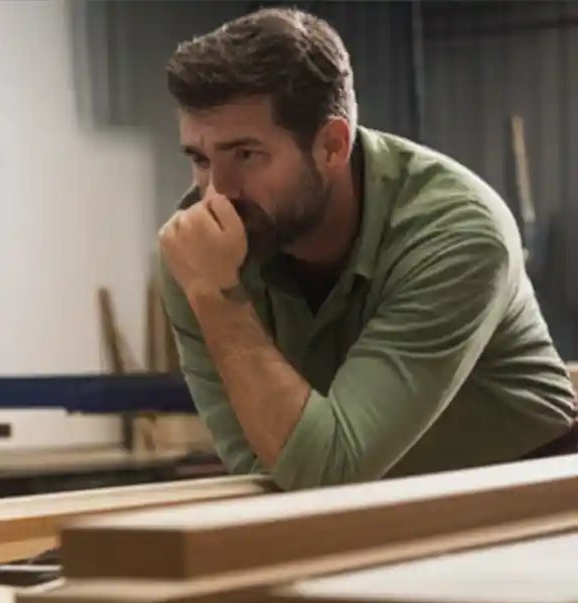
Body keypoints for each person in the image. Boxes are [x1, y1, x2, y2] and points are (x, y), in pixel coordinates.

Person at [157, 7, 577, 491]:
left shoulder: (458, 232)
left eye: (246, 154)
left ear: (333, 146)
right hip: (372, 515)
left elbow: (326, 470)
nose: (217, 193)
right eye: (200, 159)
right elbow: (266, 470)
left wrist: (220, 303)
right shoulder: (200, 254)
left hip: (536, 504)